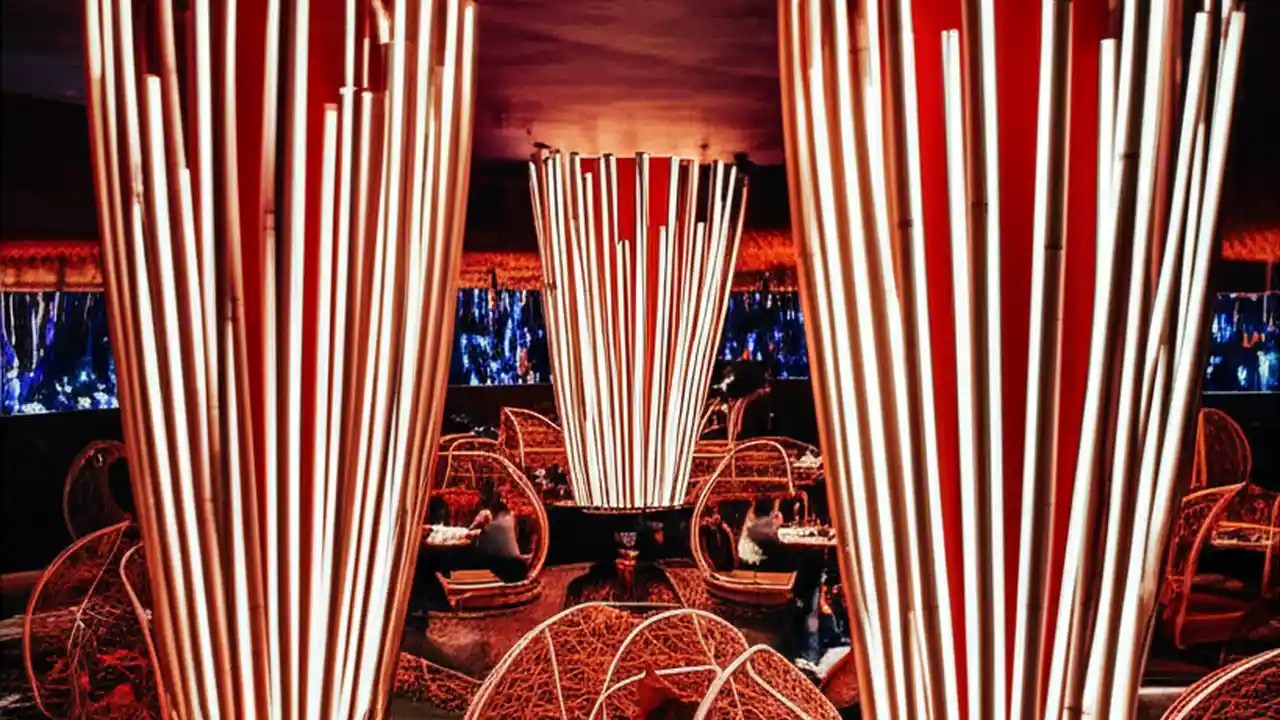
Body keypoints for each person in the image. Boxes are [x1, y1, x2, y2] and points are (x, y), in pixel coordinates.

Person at [468, 496, 531, 583]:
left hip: (504, 568)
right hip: (517, 566)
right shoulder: (508, 519)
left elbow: (472, 533)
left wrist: (476, 527)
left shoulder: (495, 526)